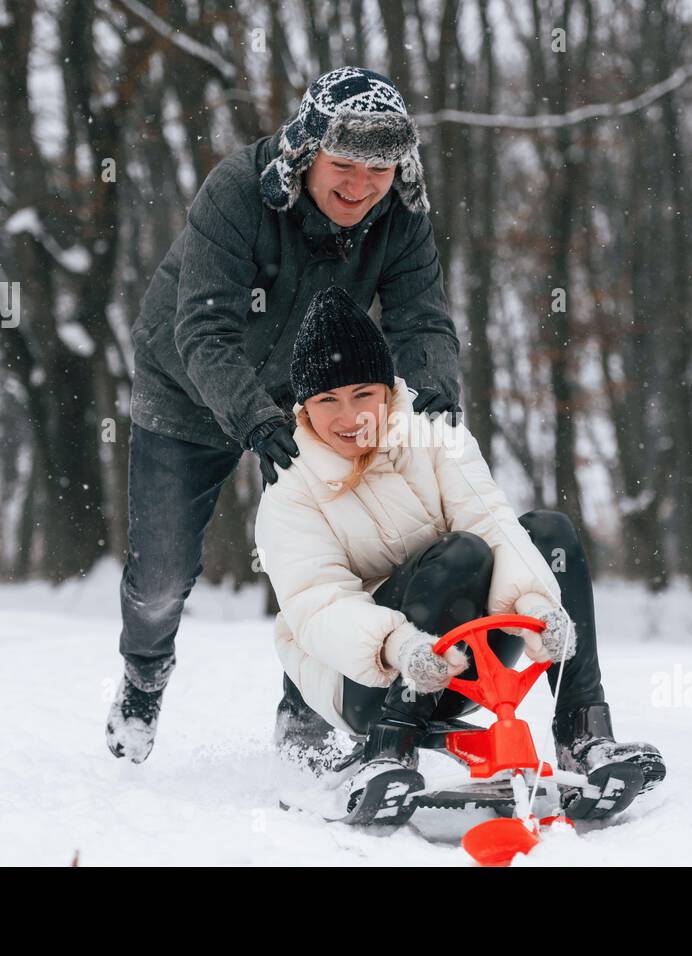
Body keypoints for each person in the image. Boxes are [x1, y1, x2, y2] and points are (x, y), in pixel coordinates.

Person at [107, 66, 463, 763]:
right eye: (345, 166)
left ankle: (306, 713)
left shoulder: (401, 216)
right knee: (161, 575)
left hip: (314, 402)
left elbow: (422, 320)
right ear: (307, 152)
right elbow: (203, 330)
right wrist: (251, 415)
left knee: (324, 566)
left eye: (380, 171)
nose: (361, 187)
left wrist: (429, 400)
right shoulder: (240, 191)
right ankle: (144, 676)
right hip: (187, 386)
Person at [253, 287, 666, 825]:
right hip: (369, 681)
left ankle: (584, 735)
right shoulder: (290, 485)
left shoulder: (435, 435)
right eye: (328, 400)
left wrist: (539, 608)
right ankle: (389, 749)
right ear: (305, 408)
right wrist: (399, 648)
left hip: (462, 665)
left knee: (548, 532)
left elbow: (490, 521)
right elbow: (317, 603)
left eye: (362, 394)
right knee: (458, 555)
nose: (349, 415)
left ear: (387, 390)